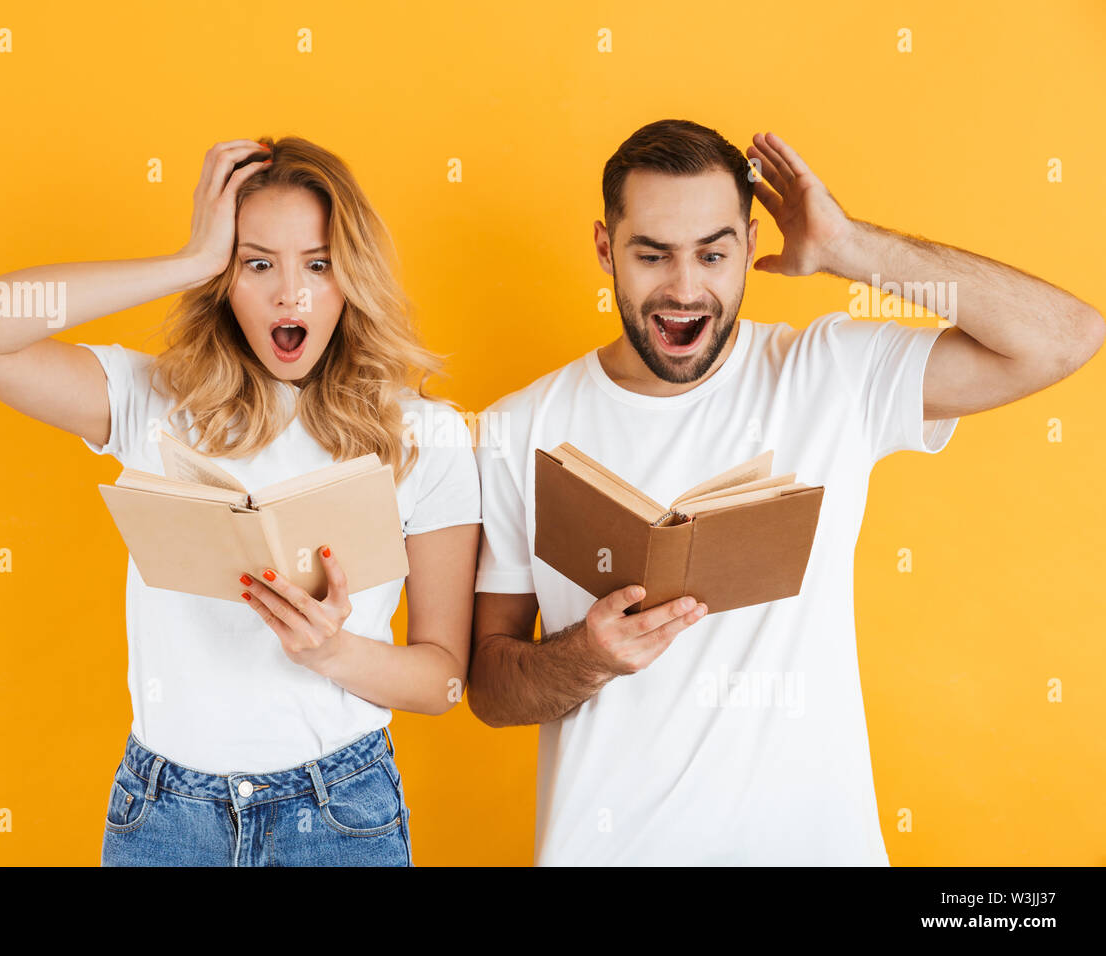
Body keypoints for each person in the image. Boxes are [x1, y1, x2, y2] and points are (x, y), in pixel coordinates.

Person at [468, 119, 1103, 865]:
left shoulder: (830, 374)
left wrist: (847, 247)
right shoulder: (519, 429)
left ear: (748, 243)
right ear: (606, 249)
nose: (684, 289)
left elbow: (1064, 336)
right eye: (651, 255)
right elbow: (486, 687)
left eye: (713, 252)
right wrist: (587, 656)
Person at [0, 136, 481, 866]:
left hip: (340, 811)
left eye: (318, 265)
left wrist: (332, 651)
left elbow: (443, 678)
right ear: (227, 278)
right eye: (258, 264)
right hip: (165, 816)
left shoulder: (424, 436)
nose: (291, 294)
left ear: (352, 277)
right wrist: (188, 260)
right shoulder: (151, 402)